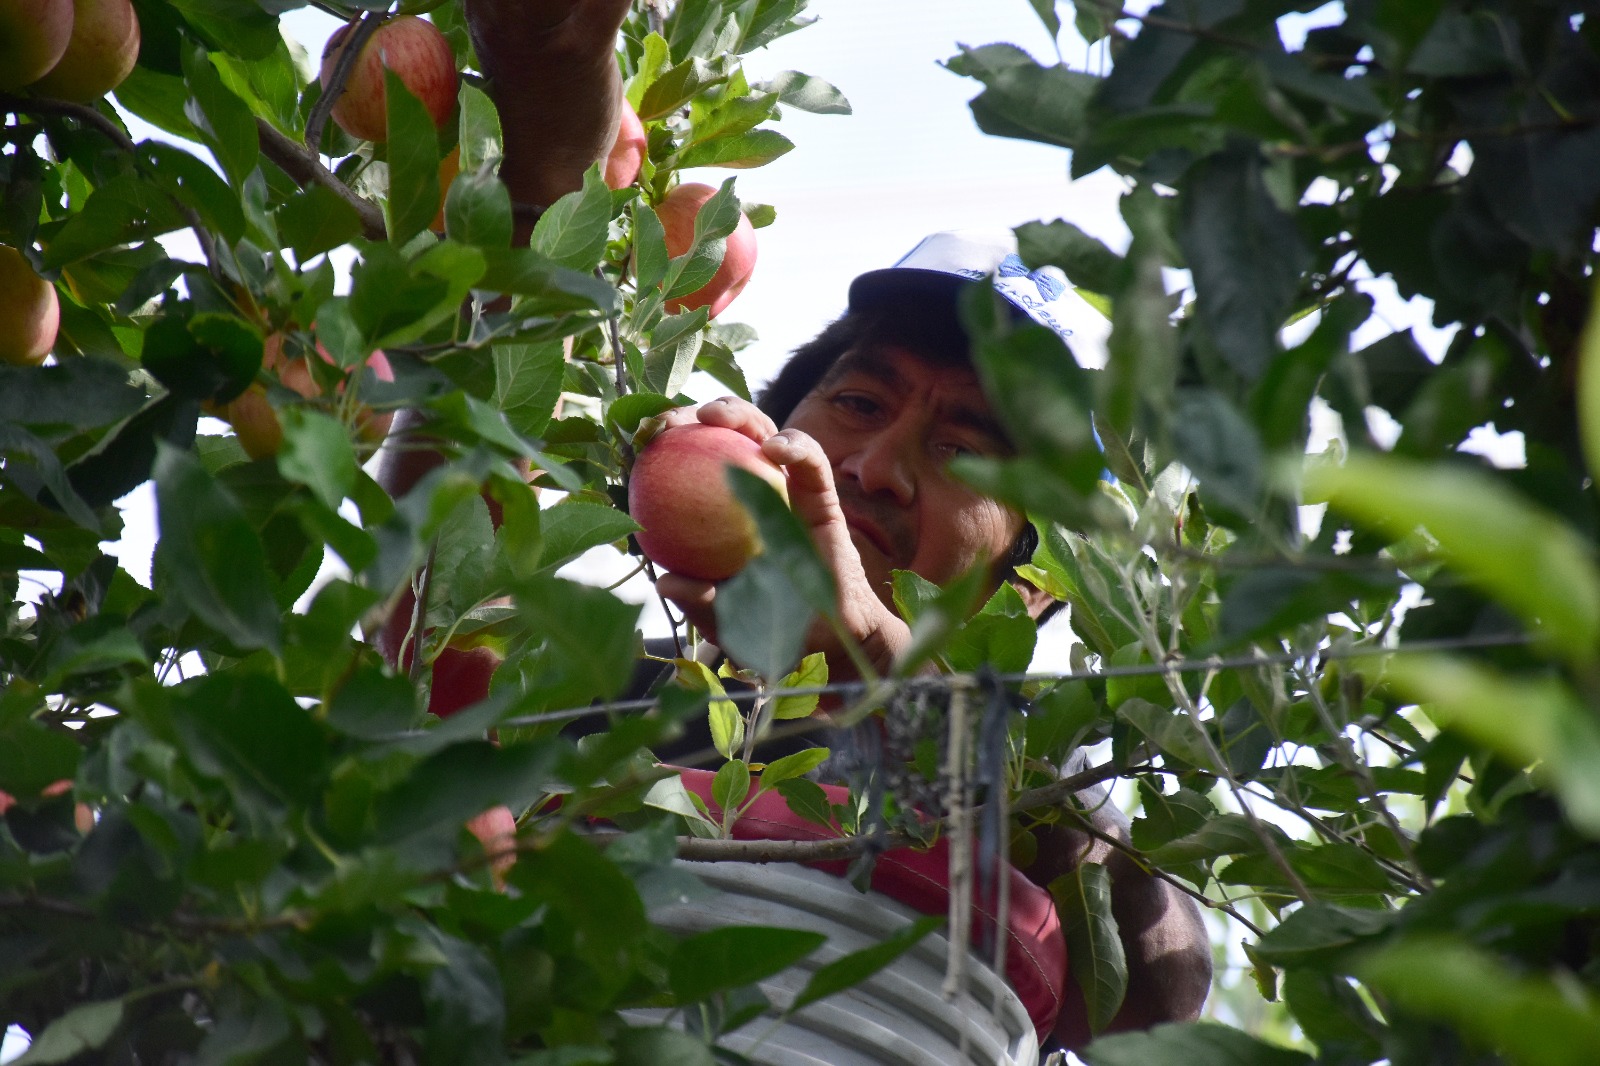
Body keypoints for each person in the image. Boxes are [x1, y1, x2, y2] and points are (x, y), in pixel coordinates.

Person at [374, 0, 1216, 1051]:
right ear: (773, 443)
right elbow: (427, 618)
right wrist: (528, 217)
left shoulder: (1036, 797)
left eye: (964, 451)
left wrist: (887, 672)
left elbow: (1159, 989)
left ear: (1035, 585)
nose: (874, 467)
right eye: (857, 404)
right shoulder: (601, 691)